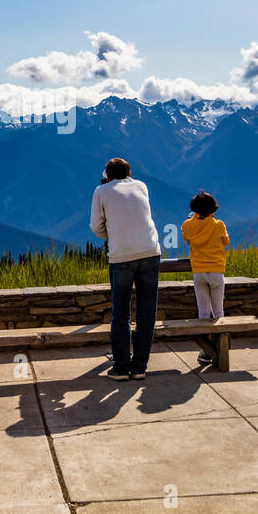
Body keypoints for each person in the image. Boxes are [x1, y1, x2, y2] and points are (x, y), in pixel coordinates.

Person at [90, 157, 161, 380]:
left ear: (108, 176)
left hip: (121, 256)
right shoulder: (142, 186)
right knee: (146, 314)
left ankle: (121, 367)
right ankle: (140, 367)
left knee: (120, 314)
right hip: (151, 252)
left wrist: (111, 235)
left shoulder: (101, 190)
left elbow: (95, 226)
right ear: (129, 173)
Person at [181, 190, 229, 365]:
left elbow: (186, 236)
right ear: (212, 209)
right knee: (218, 312)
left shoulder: (188, 225)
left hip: (199, 272)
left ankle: (205, 351)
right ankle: (220, 347)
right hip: (216, 271)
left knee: (203, 312)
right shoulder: (219, 225)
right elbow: (226, 241)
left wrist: (193, 219)